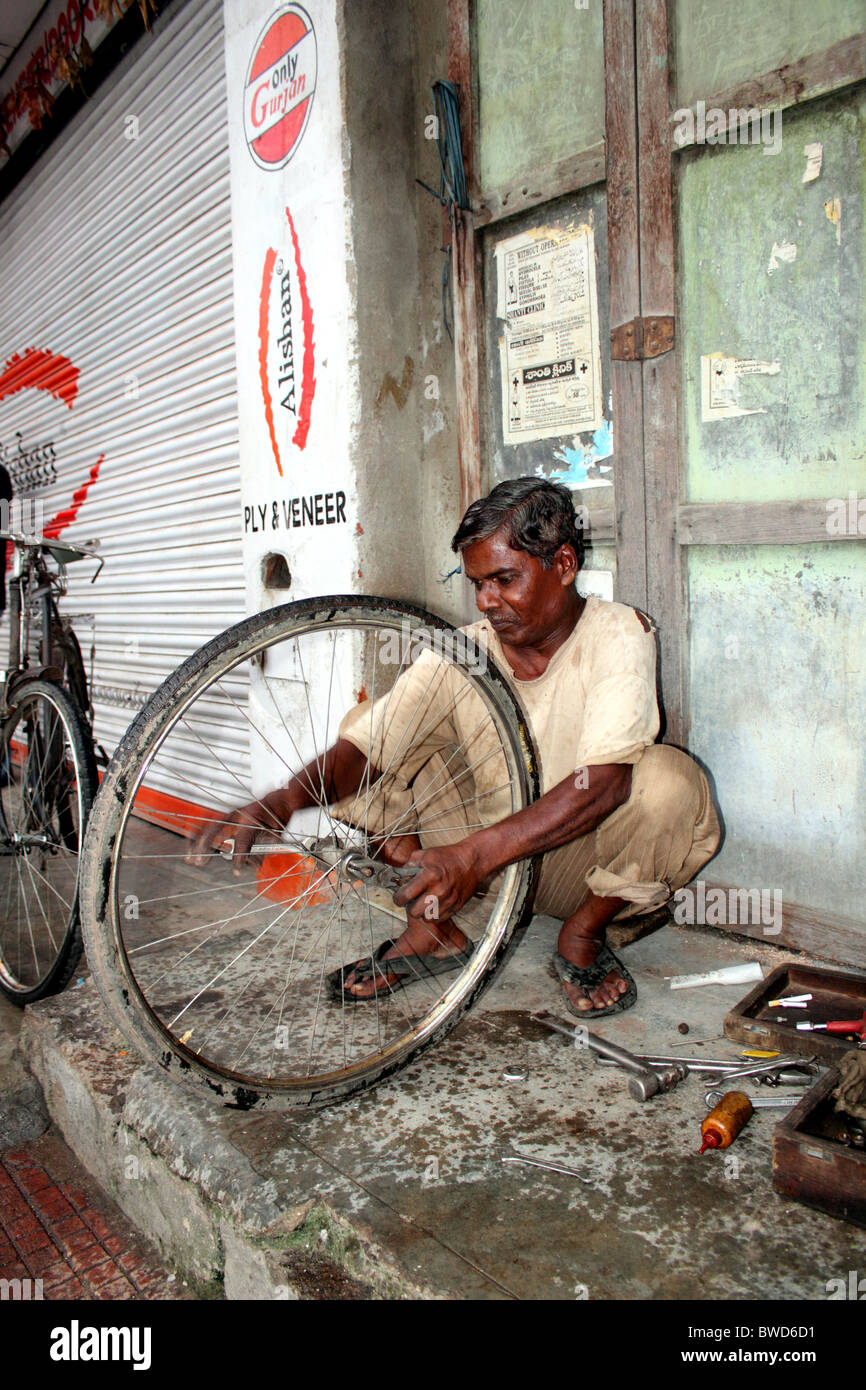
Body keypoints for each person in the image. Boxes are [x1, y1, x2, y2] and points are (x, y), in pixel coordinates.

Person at [190, 478, 720, 1018]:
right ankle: (433, 930)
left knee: (668, 781)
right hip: (481, 875)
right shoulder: (466, 652)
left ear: (563, 565)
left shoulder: (618, 632)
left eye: (503, 580)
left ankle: (582, 936)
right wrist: (282, 802)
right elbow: (367, 751)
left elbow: (605, 784)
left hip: (573, 871)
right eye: (477, 584)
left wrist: (473, 856)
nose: (487, 601)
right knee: (367, 729)